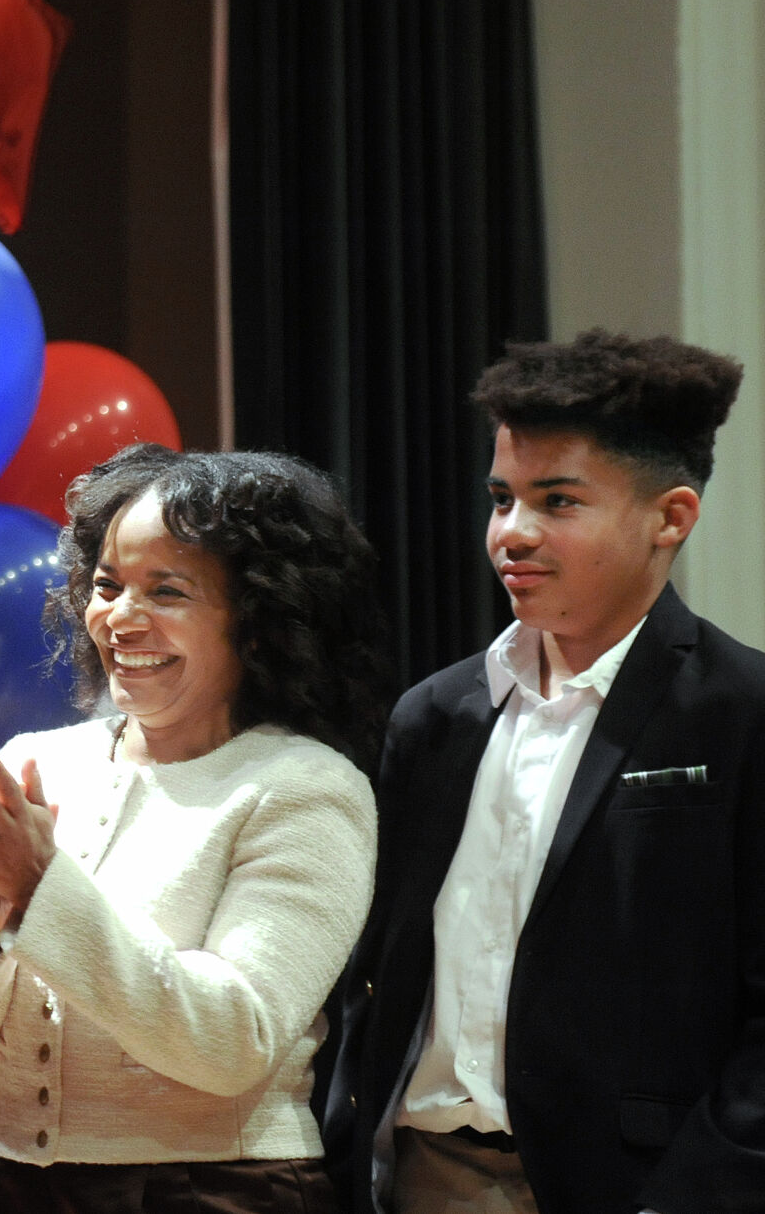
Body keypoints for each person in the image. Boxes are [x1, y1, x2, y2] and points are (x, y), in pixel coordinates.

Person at [322, 332, 763, 1213]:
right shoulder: (433, 716)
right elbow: (379, 972)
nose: (512, 534)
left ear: (671, 517)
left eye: (557, 501)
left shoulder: (741, 710)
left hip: (642, 1186)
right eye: (501, 499)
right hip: (426, 1176)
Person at [0, 443, 388, 1213]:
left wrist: (41, 890)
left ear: (258, 619)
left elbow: (235, 1042)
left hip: (219, 1194)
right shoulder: (37, 762)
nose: (120, 618)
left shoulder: (305, 787)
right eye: (107, 584)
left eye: (167, 591)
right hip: (17, 1186)